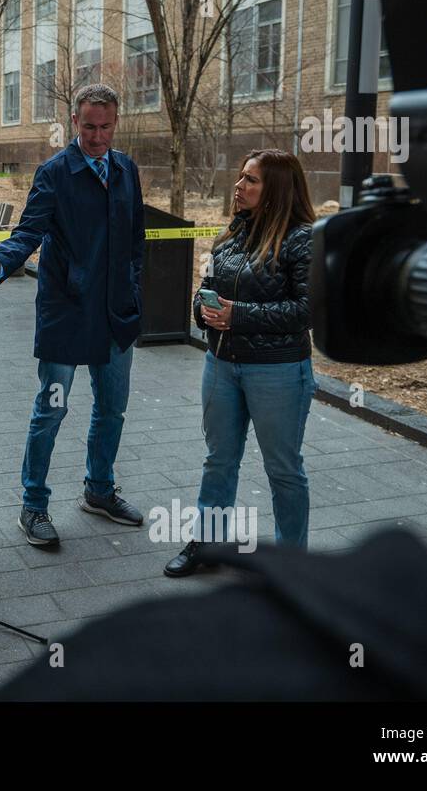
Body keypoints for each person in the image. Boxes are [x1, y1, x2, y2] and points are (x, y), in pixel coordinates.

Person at [0, 84, 145, 547]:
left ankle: (99, 491)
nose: (98, 136)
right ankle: (34, 506)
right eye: (89, 126)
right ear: (74, 122)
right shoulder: (55, 173)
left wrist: (133, 290)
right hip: (67, 313)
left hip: (115, 316)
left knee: (112, 410)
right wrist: (0, 263)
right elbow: (29, 232)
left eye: (105, 127)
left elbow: (136, 241)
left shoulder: (126, 170)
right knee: (52, 410)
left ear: (116, 123)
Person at [164, 149, 317, 578]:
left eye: (251, 180)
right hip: (221, 366)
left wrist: (239, 315)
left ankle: (293, 569)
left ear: (277, 191)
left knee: (283, 470)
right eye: (240, 177)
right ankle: (208, 546)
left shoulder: (302, 238)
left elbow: (308, 310)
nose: (239, 186)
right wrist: (203, 310)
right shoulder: (231, 235)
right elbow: (207, 289)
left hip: (278, 371)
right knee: (219, 461)